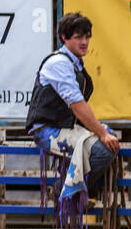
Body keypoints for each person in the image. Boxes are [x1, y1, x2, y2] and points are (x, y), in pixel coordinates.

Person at [25, 12, 120, 217]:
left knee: (109, 135)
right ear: (64, 38)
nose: (84, 42)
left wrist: (103, 131)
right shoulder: (59, 63)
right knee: (104, 149)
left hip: (62, 128)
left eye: (87, 37)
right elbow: (77, 105)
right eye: (78, 37)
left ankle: (85, 189)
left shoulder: (74, 63)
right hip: (47, 131)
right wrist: (101, 133)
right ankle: (66, 191)